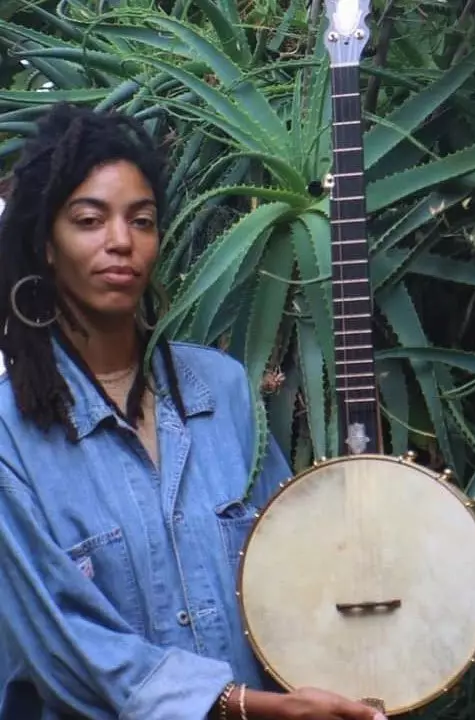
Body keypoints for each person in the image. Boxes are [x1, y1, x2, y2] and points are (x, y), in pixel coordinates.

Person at [0, 103, 384, 720]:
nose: (121, 242)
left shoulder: (222, 388)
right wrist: (243, 706)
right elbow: (63, 644)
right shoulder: (10, 435)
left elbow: (289, 562)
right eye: (89, 220)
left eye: (142, 220)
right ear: (47, 243)